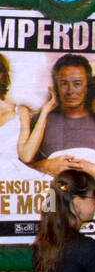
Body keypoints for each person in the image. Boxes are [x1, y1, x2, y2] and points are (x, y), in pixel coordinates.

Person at [22, 54, 95, 217]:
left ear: (87, 85)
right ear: (56, 86)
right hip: (54, 215)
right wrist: (46, 167)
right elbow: (20, 167)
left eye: (77, 84)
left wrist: (92, 168)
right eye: (64, 84)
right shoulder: (41, 121)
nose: (70, 91)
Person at [0, 54, 47, 182]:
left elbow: (26, 156)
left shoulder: (20, 110)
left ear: (2, 75)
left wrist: (45, 112)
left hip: (11, 177)